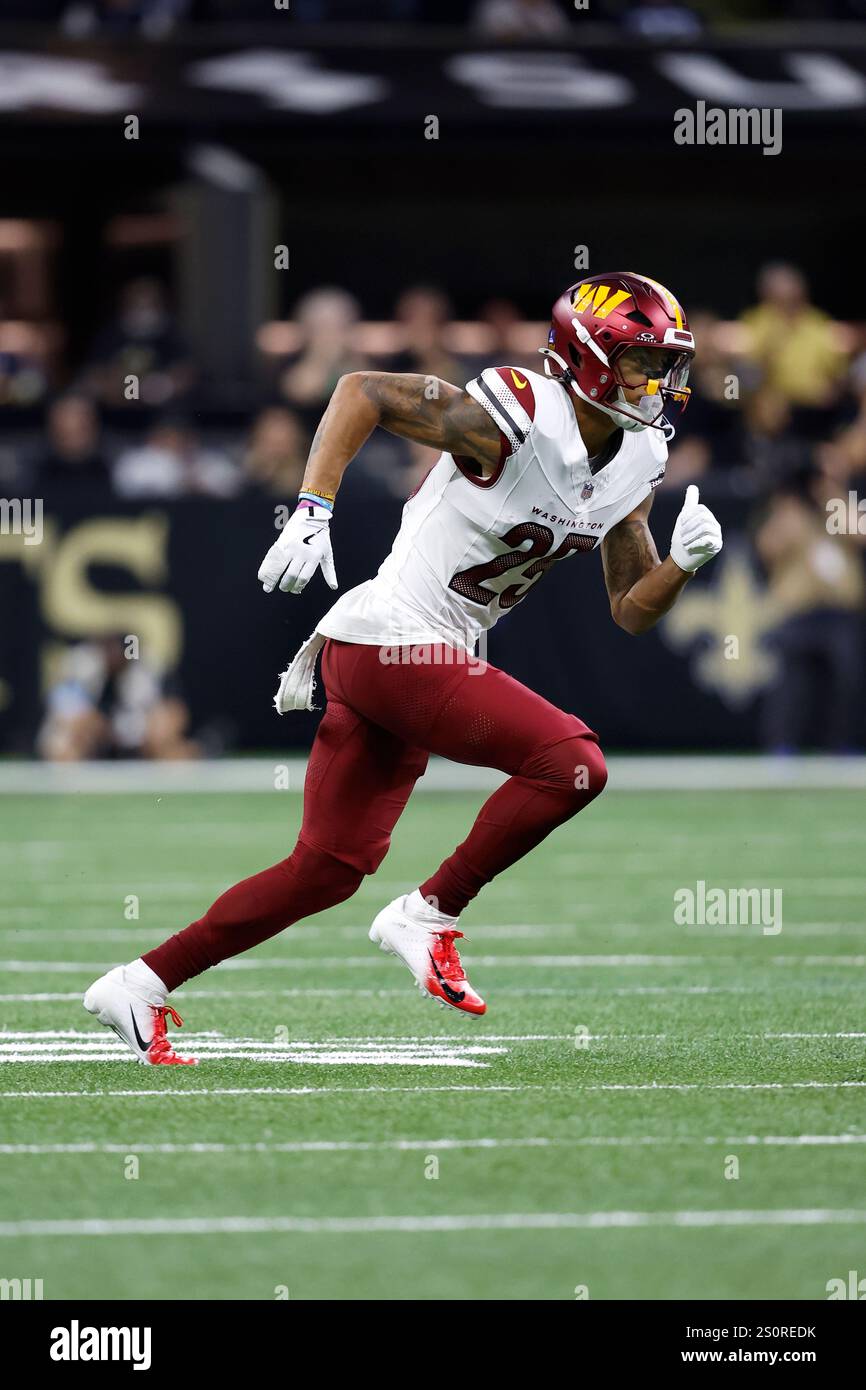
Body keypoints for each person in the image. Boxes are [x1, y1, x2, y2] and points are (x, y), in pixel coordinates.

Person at [84, 271, 723, 1063]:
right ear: (590, 357)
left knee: (326, 870)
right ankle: (428, 912)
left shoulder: (638, 455)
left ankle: (139, 984)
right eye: (641, 362)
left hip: (412, 661)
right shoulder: (521, 413)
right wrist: (313, 509)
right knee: (573, 764)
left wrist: (684, 565)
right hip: (391, 640)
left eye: (665, 365)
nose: (658, 382)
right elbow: (361, 391)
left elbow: (630, 607)